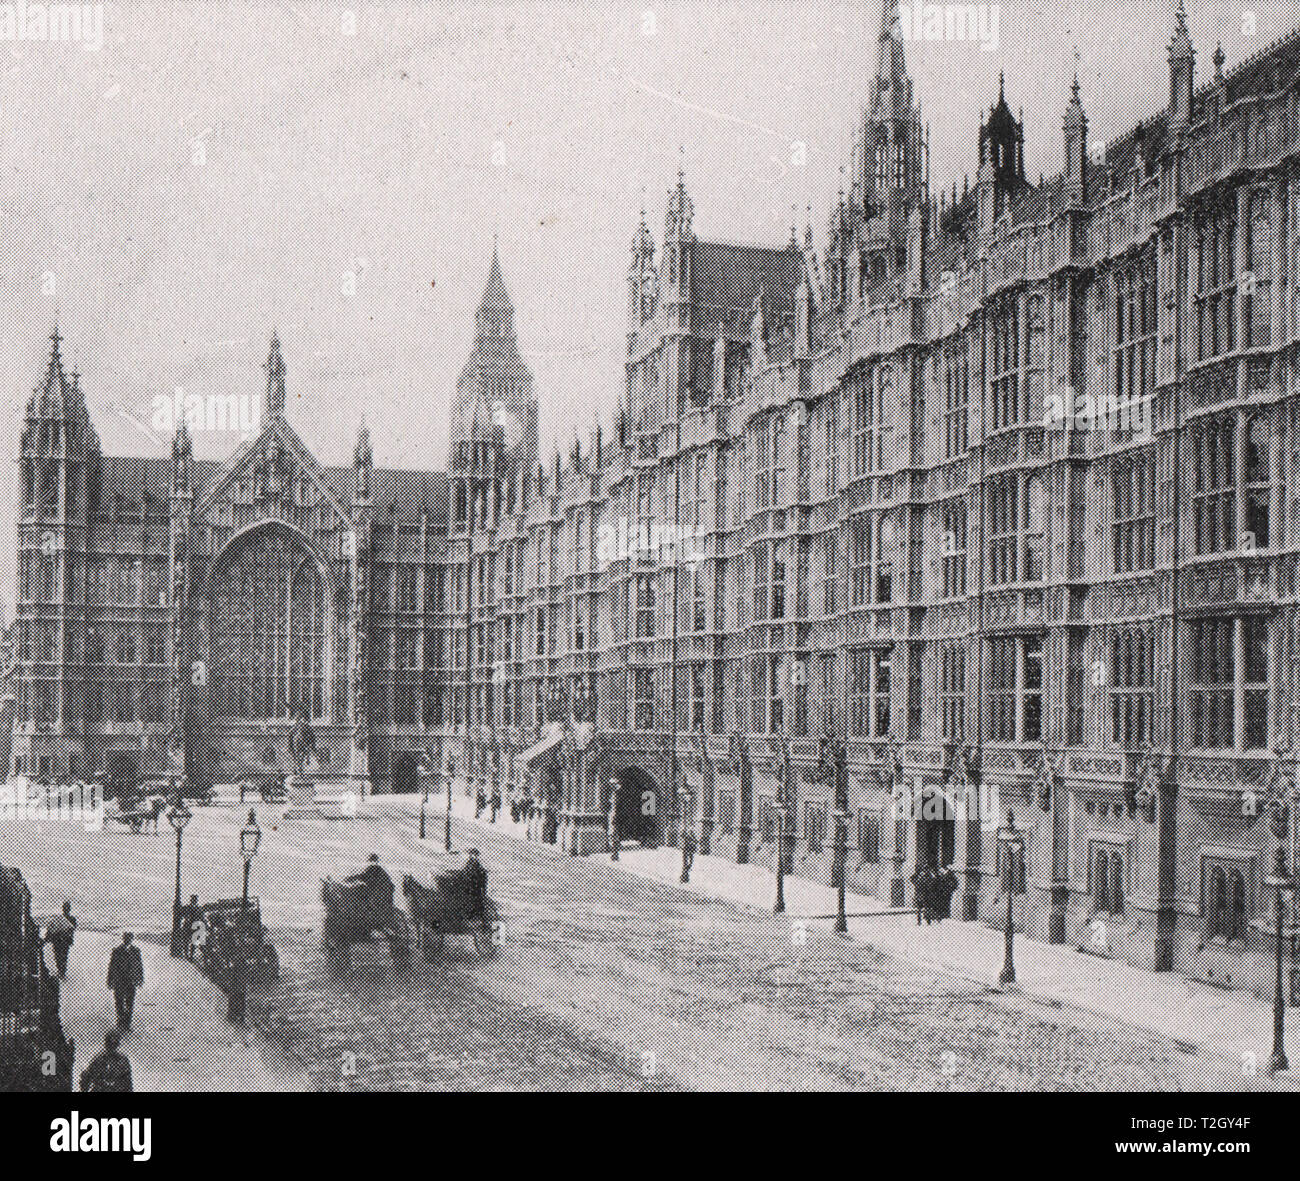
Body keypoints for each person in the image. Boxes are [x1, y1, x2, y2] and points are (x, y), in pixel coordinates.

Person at [106, 933, 144, 1031]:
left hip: (131, 981)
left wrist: (140, 979)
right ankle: (120, 1022)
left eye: (129, 938)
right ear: (123, 939)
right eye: (126, 938)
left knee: (130, 1003)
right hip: (119, 981)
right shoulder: (117, 951)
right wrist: (110, 981)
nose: (127, 940)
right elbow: (111, 966)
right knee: (119, 1002)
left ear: (132, 939)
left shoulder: (136, 951)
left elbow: (140, 966)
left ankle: (127, 1024)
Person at [46, 901, 77, 977]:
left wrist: (48, 938)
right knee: (63, 956)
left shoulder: (58, 918)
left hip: (58, 940)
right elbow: (72, 929)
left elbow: (51, 929)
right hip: (65, 940)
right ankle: (62, 971)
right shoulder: (72, 919)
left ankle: (61, 971)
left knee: (58, 955)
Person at [460, 848, 488, 916]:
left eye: (474, 855)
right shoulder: (468, 865)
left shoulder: (479, 867)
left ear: (477, 856)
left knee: (477, 902)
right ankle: (470, 914)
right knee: (469, 902)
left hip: (476, 888)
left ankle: (476, 914)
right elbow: (464, 875)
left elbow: (483, 878)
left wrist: (483, 889)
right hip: (469, 888)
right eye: (471, 854)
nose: (472, 856)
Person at [177, 894, 202, 960]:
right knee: (186, 941)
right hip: (188, 926)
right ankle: (188, 955)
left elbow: (201, 918)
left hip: (193, 927)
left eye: (195, 900)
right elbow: (181, 914)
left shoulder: (197, 908)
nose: (194, 901)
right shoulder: (189, 908)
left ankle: (190, 955)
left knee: (192, 942)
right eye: (193, 900)